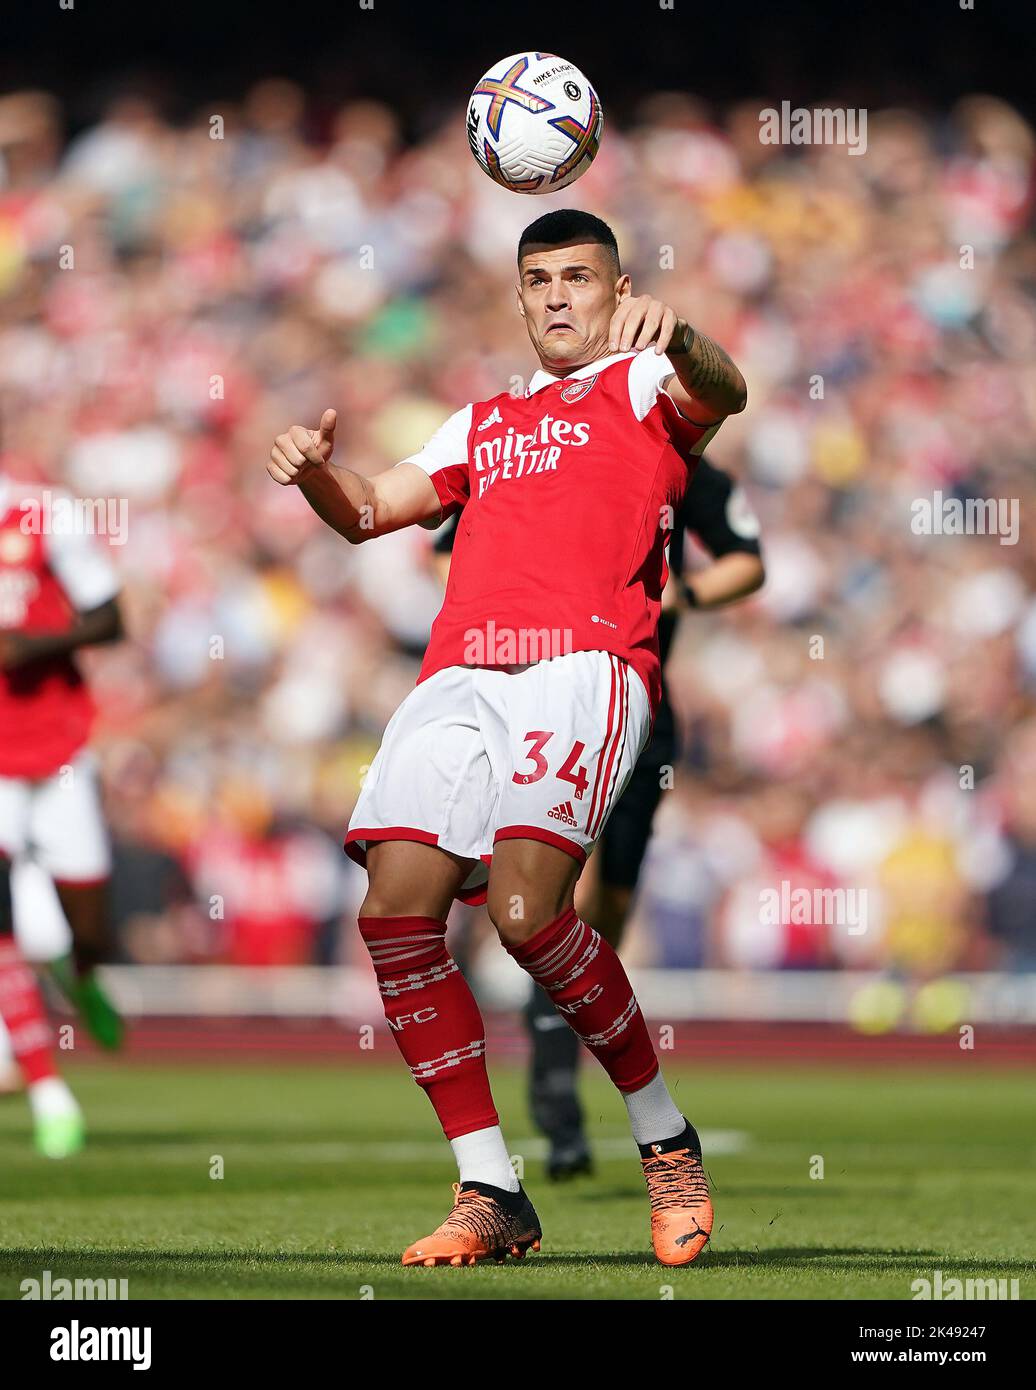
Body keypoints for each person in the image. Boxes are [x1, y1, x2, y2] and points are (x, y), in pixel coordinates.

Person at [268, 208, 747, 1267]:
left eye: (580, 277)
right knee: (394, 912)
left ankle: (663, 1136)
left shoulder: (641, 385)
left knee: (530, 917)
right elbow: (365, 511)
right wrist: (311, 470)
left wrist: (678, 338)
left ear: (618, 292)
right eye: (539, 281)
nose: (558, 297)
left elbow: (724, 390)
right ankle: (490, 1186)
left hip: (583, 668)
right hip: (458, 677)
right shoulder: (478, 421)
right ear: (520, 297)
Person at [0, 473, 126, 1157]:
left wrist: (32, 644)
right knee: (7, 931)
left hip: (59, 754)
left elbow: (112, 618)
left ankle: (85, 977)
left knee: (87, 928)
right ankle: (50, 1091)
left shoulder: (43, 514)